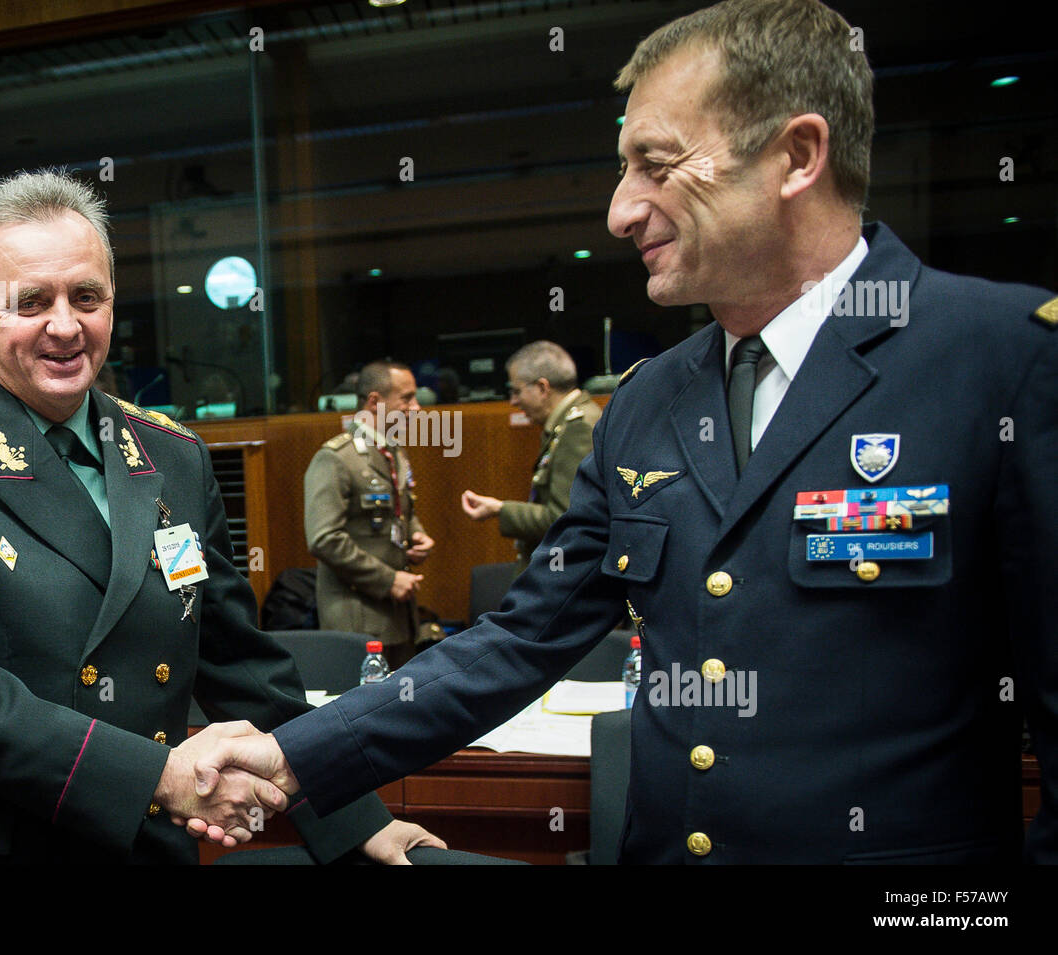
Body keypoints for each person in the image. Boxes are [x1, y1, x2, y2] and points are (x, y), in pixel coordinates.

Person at [192, 0, 1058, 864]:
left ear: (796, 155)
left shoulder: (1003, 361)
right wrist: (291, 754)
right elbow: (526, 635)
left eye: (655, 165)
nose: (619, 211)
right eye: (622, 169)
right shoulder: (647, 402)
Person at [0, 170, 441, 863]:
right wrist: (159, 776)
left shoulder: (173, 455)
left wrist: (351, 814)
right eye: (30, 301)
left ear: (112, 307)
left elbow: (236, 656)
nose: (64, 325)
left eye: (85, 296)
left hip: (144, 846)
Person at [304, 361, 435, 669]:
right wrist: (389, 579)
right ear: (375, 402)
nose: (415, 408)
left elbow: (400, 511)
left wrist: (417, 535)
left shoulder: (393, 452)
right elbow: (324, 539)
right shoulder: (335, 458)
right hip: (357, 617)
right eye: (407, 398)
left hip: (398, 615)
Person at [461, 341, 601, 567]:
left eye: (517, 391)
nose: (513, 401)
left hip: (566, 571)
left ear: (543, 388)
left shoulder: (578, 428)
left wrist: (500, 509)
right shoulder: (566, 424)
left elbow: (562, 518)